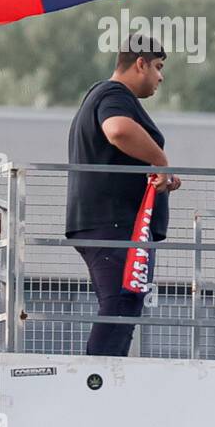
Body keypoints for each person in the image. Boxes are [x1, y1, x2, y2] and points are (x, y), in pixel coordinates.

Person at [65, 34, 181, 356]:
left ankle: (107, 377)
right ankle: (97, 381)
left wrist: (161, 176)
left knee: (125, 303)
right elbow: (117, 129)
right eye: (158, 67)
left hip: (114, 225)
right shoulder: (115, 93)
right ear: (140, 63)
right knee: (119, 303)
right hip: (114, 225)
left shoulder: (104, 95)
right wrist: (160, 161)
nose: (161, 77)